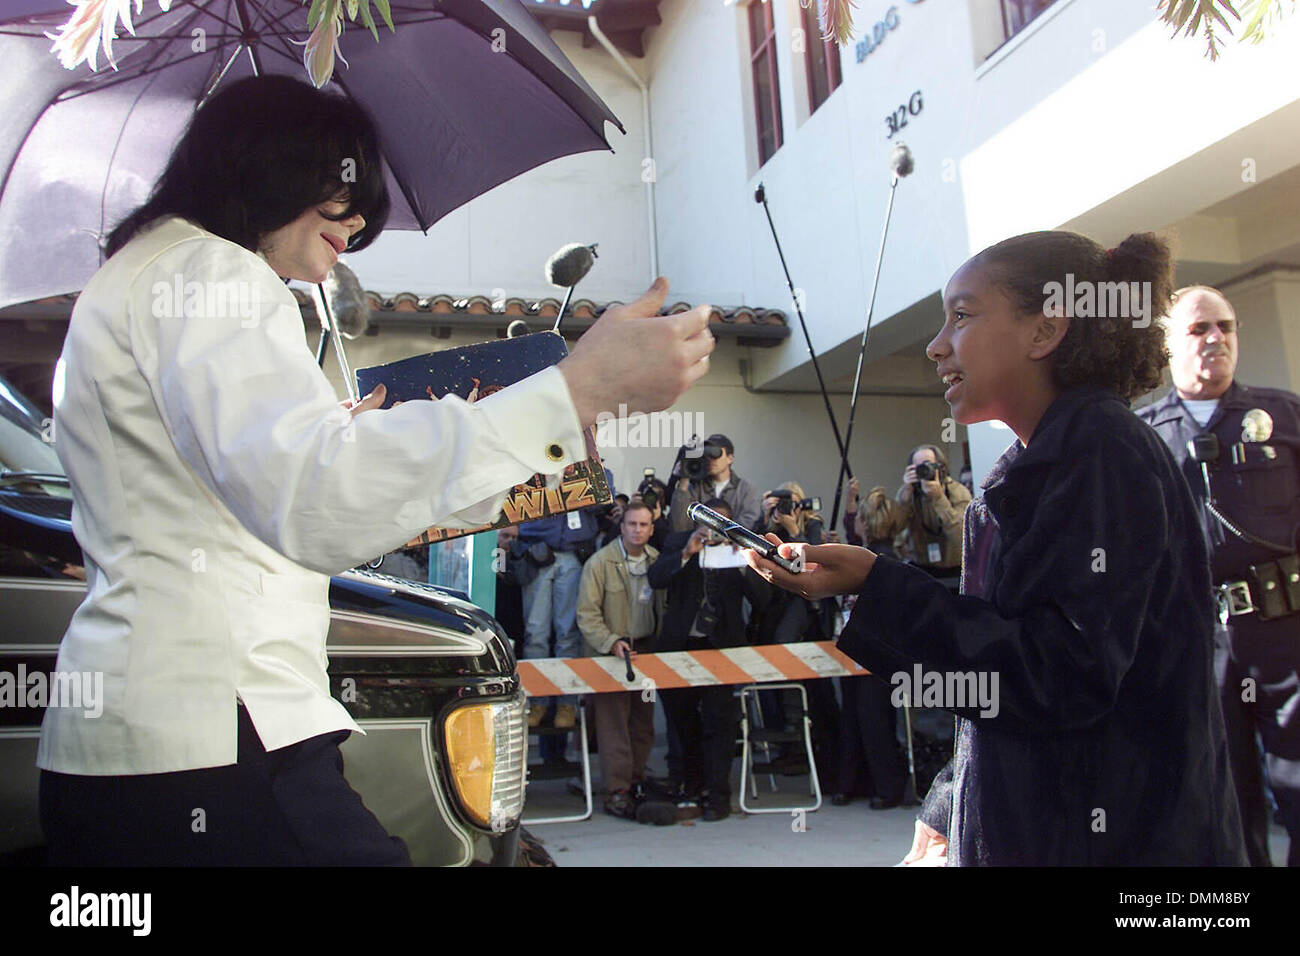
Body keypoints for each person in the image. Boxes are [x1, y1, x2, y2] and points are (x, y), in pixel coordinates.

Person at [36, 75, 715, 866]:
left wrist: (370, 449)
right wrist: (572, 391)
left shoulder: (138, 278)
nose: (356, 224)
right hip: (216, 743)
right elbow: (314, 498)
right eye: (344, 186)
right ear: (268, 164)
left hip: (141, 746)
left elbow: (275, 493)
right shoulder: (212, 275)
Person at [745, 231, 1246, 866]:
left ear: (1045, 331)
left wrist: (878, 586)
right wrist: (951, 802)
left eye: (962, 315)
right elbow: (1002, 676)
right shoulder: (1034, 469)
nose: (935, 345)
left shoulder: (1101, 455)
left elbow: (1058, 675)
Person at [1137, 285, 1300, 867]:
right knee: (1225, 802)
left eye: (1225, 327)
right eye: (1199, 329)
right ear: (1167, 346)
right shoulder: (1143, 435)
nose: (1215, 339)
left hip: (1288, 632)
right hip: (1200, 641)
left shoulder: (1284, 415)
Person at [649, 499, 766, 821]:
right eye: (710, 522)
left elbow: (763, 598)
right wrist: (687, 552)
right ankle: (689, 787)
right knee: (682, 724)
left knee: (719, 725)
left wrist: (744, 560)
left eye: (722, 523)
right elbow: (655, 578)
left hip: (722, 649)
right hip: (680, 646)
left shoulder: (742, 551)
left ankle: (718, 796)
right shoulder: (679, 542)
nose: (715, 529)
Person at [575, 501, 672, 823]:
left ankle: (636, 780)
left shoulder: (658, 562)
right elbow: (586, 615)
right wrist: (610, 642)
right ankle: (616, 790)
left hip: (646, 652)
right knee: (613, 725)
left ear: (652, 528)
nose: (637, 530)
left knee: (643, 721)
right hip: (610, 654)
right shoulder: (600, 563)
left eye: (644, 525)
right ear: (622, 525)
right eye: (632, 524)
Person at [833, 488, 908, 809]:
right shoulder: (886, 556)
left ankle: (882, 786)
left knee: (868, 718)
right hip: (869, 648)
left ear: (868, 521)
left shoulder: (878, 559)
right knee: (864, 717)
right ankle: (863, 784)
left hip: (873, 650)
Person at [895, 444, 970, 575]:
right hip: (921, 568)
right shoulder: (909, 493)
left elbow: (961, 538)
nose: (923, 470)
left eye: (927, 464)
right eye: (918, 467)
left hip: (955, 569)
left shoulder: (958, 491)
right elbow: (894, 530)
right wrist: (904, 498)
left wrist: (939, 498)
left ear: (941, 467)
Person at [668, 433, 762, 533]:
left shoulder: (746, 488)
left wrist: (721, 536)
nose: (710, 459)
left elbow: (749, 524)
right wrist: (684, 477)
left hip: (733, 546)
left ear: (730, 458)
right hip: (699, 545)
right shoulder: (695, 487)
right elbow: (679, 526)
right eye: (706, 454)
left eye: (716, 453)